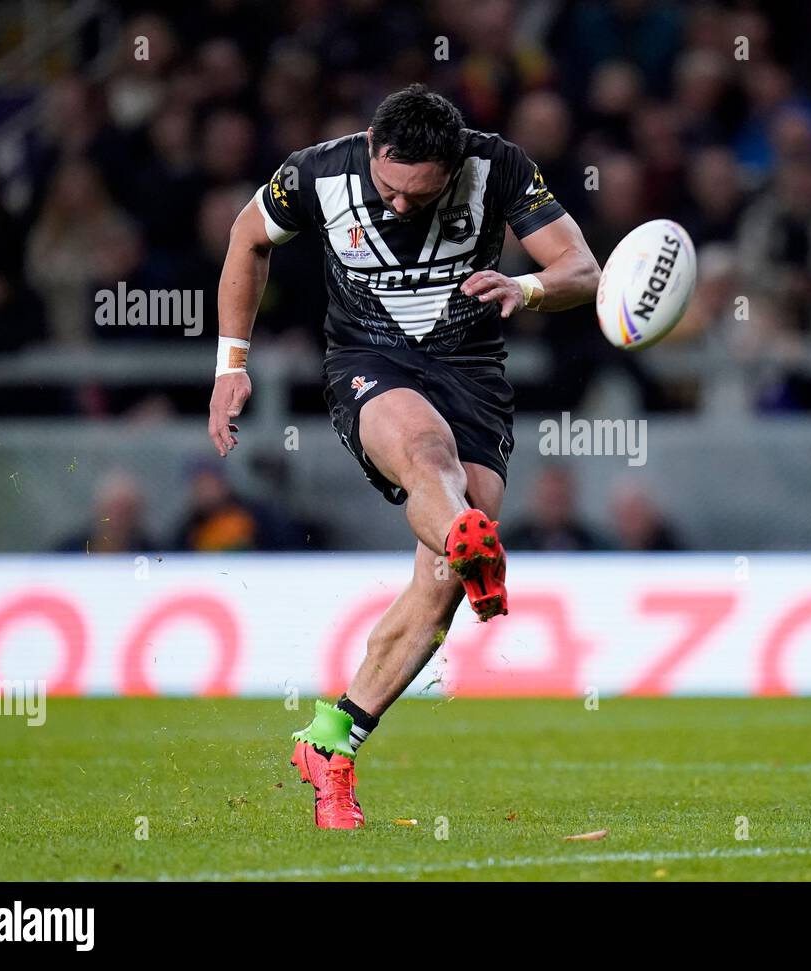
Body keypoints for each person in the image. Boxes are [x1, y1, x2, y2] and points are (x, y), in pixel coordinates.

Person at [207, 85, 600, 828]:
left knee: (444, 580)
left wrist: (527, 285)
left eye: (420, 197)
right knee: (427, 454)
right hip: (369, 362)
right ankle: (465, 535)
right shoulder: (317, 172)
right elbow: (247, 238)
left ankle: (333, 739)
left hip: (473, 374)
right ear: (372, 147)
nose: (397, 206)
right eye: (388, 189)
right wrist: (232, 363)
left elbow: (585, 271)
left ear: (454, 169)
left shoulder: (501, 167)